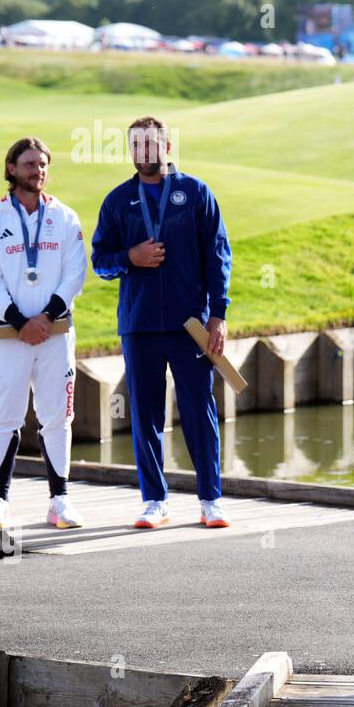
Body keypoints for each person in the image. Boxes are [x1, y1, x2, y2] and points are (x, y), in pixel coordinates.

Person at [90, 117, 233, 529]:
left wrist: (218, 315)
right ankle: (155, 500)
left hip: (190, 325)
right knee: (146, 414)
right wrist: (128, 259)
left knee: (198, 410)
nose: (144, 153)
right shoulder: (118, 200)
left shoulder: (195, 192)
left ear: (167, 147)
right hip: (139, 326)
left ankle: (211, 500)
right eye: (136, 145)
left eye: (151, 144)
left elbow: (218, 256)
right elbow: (100, 261)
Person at [0, 137, 87, 529]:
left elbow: (75, 274)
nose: (37, 171)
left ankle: (59, 500)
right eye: (28, 164)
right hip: (10, 335)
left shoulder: (66, 217)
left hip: (55, 333)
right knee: (6, 417)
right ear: (11, 169)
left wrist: (46, 317)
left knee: (58, 416)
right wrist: (22, 323)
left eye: (42, 165)